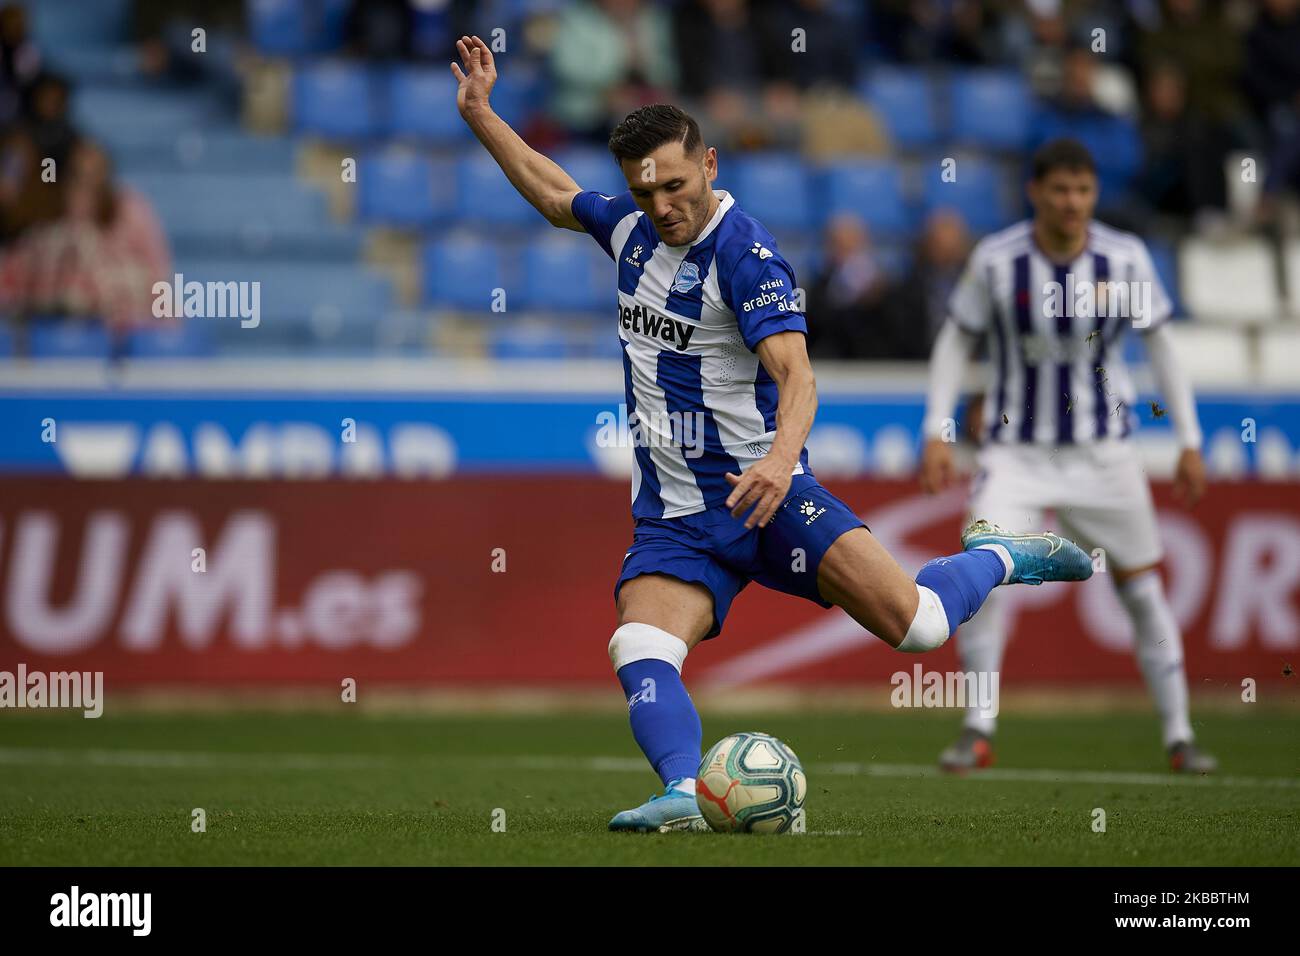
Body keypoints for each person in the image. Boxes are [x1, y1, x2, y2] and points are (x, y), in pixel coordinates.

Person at [452, 36, 1094, 832]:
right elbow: (556, 194)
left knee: (921, 629)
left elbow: (798, 377)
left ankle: (1002, 553)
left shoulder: (748, 258)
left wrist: (782, 461)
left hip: (771, 496)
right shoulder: (629, 227)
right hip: (677, 515)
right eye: (645, 192)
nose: (662, 207)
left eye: (677, 186)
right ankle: (684, 794)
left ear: (711, 164)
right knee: (637, 647)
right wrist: (482, 115)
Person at [919, 138, 1217, 775]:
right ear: (1036, 192)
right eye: (1059, 190)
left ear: (1094, 194)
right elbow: (953, 342)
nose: (1072, 202)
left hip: (1105, 454)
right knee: (987, 574)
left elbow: (1163, 349)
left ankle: (1179, 733)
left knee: (1141, 589)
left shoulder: (1125, 258)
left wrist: (1190, 440)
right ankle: (978, 727)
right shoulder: (998, 261)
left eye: (1082, 190)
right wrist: (937, 428)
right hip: (1015, 453)